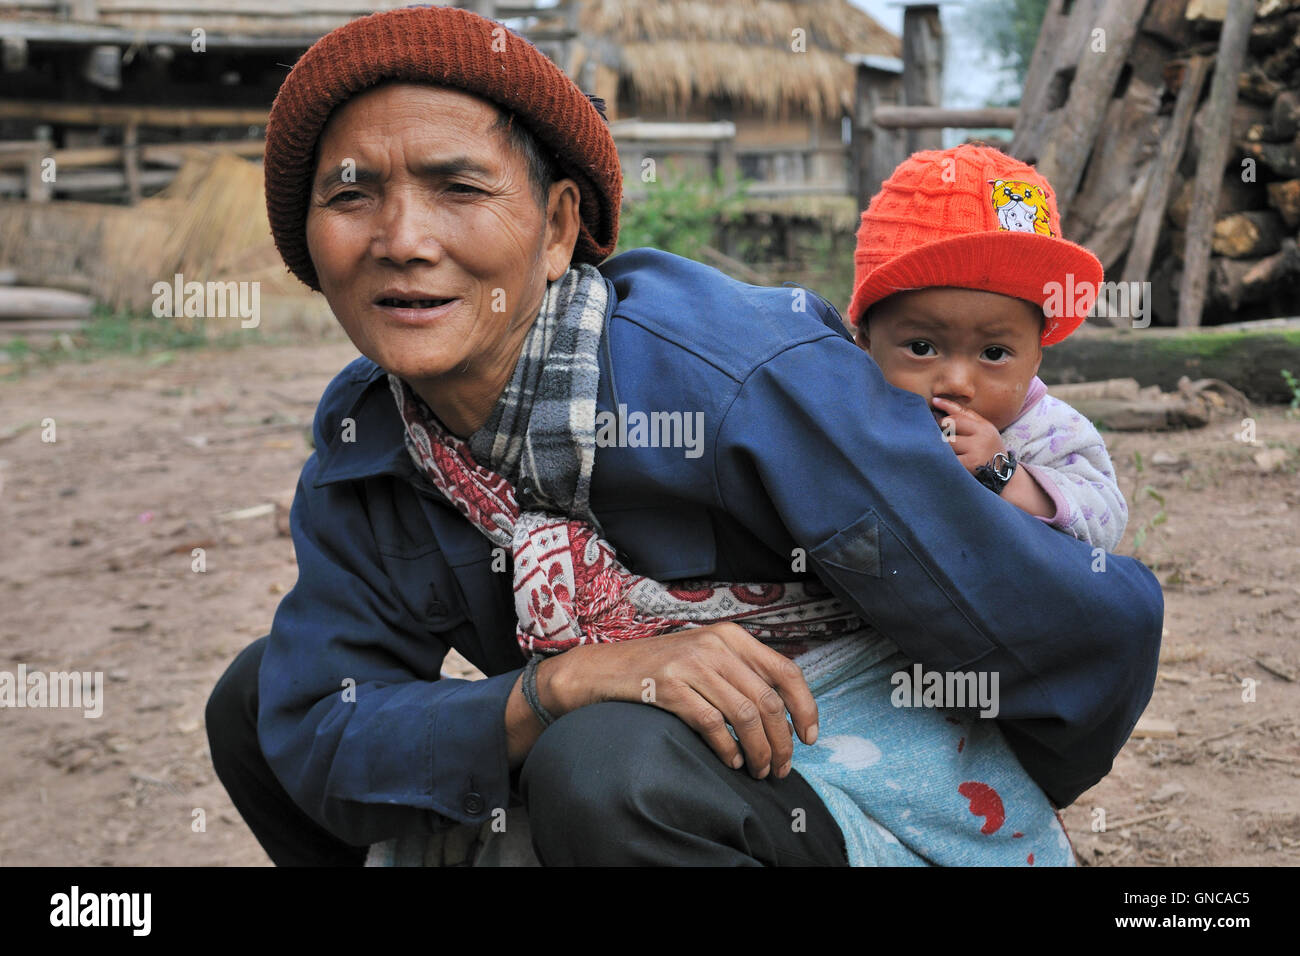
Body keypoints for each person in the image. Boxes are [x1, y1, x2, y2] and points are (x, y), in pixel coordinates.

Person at [206, 6, 1163, 867]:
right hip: (649, 775)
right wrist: (559, 686)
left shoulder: (741, 376)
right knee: (258, 703)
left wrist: (992, 799)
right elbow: (314, 729)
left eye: (459, 186)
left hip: (836, 785)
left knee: (608, 764)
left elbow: (1074, 635)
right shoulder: (373, 443)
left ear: (557, 227)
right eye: (350, 194)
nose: (402, 237)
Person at [848, 145, 1127, 552]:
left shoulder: (1050, 432)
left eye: (994, 354)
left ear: (1036, 358)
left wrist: (1006, 476)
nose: (957, 384)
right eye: (922, 348)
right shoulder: (852, 415)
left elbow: (1107, 519)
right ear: (867, 344)